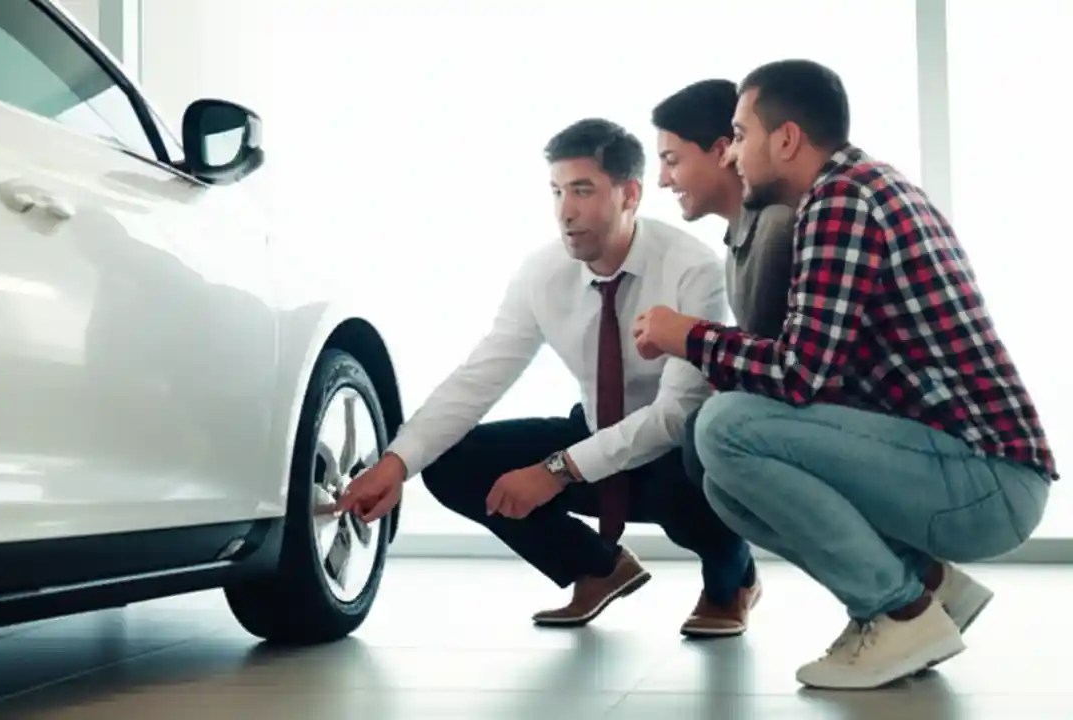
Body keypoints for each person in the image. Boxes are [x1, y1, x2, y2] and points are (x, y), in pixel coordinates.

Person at [631, 58, 1056, 690]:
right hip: (960, 468)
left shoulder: (841, 201)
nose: (736, 154)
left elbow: (802, 376)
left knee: (723, 426)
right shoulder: (858, 187)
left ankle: (898, 612)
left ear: (787, 139)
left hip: (986, 480)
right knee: (725, 480)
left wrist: (689, 337)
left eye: (742, 135)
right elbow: (825, 377)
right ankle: (933, 589)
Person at [337, 118, 761, 636]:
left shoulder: (692, 269)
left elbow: (673, 417)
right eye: (557, 192)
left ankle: (731, 583)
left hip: (675, 453)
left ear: (630, 194)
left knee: (698, 472)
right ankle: (596, 567)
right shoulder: (543, 273)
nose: (565, 211)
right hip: (595, 432)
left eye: (583, 191)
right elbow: (479, 378)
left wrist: (556, 470)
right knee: (450, 464)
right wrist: (395, 463)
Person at [651, 78, 798, 487]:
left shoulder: (774, 228)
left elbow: (779, 368)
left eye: (671, 160)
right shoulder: (738, 239)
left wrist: (684, 337)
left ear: (720, 151)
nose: (663, 179)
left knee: (705, 434)